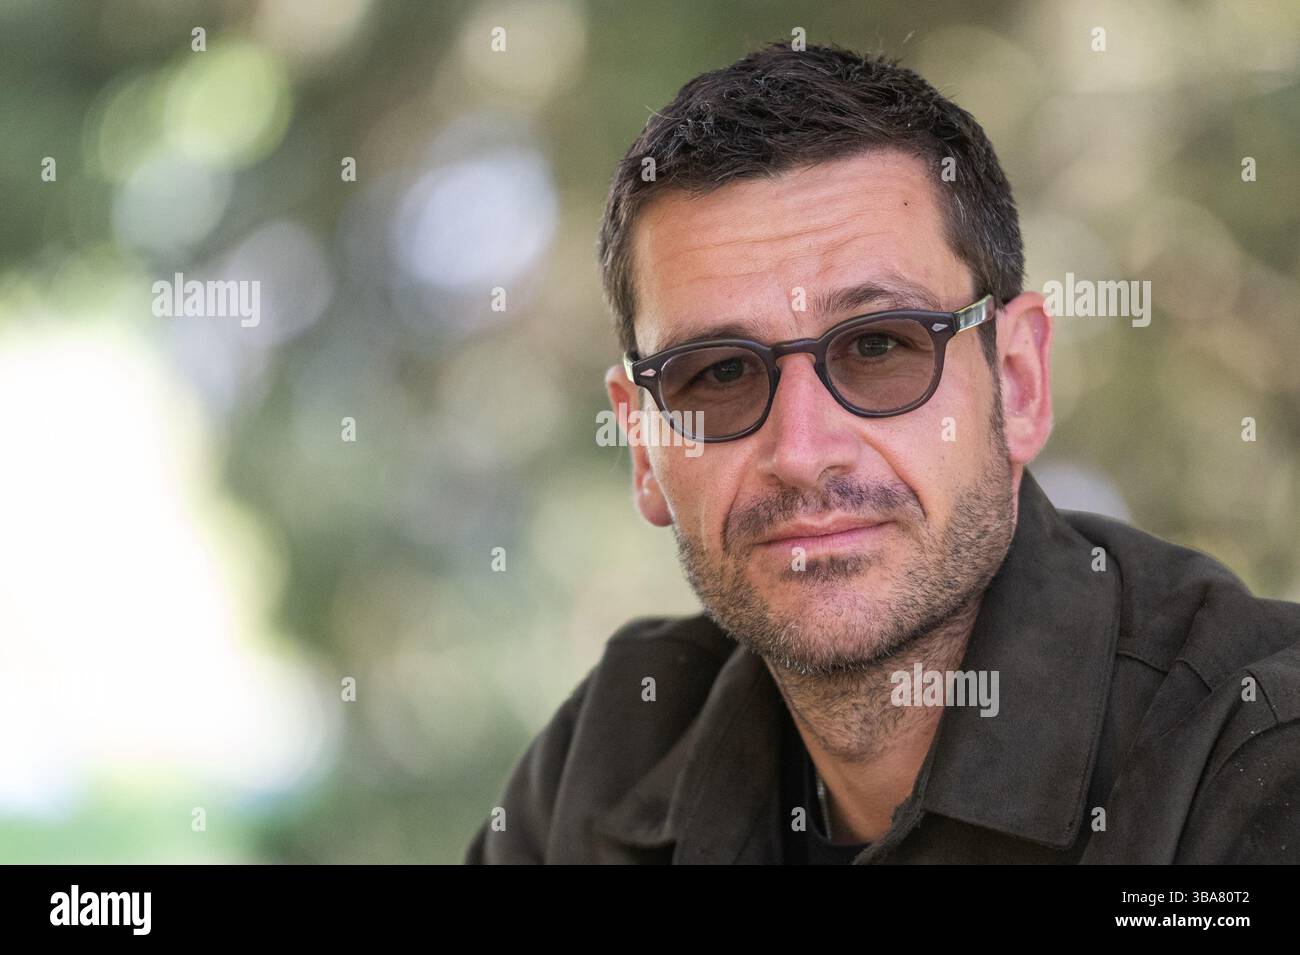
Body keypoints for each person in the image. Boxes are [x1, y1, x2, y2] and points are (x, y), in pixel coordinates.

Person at [464, 41, 1300, 864]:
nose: (800, 451)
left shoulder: (1255, 754)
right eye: (719, 372)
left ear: (1017, 384)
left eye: (878, 347)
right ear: (644, 445)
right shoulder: (601, 770)